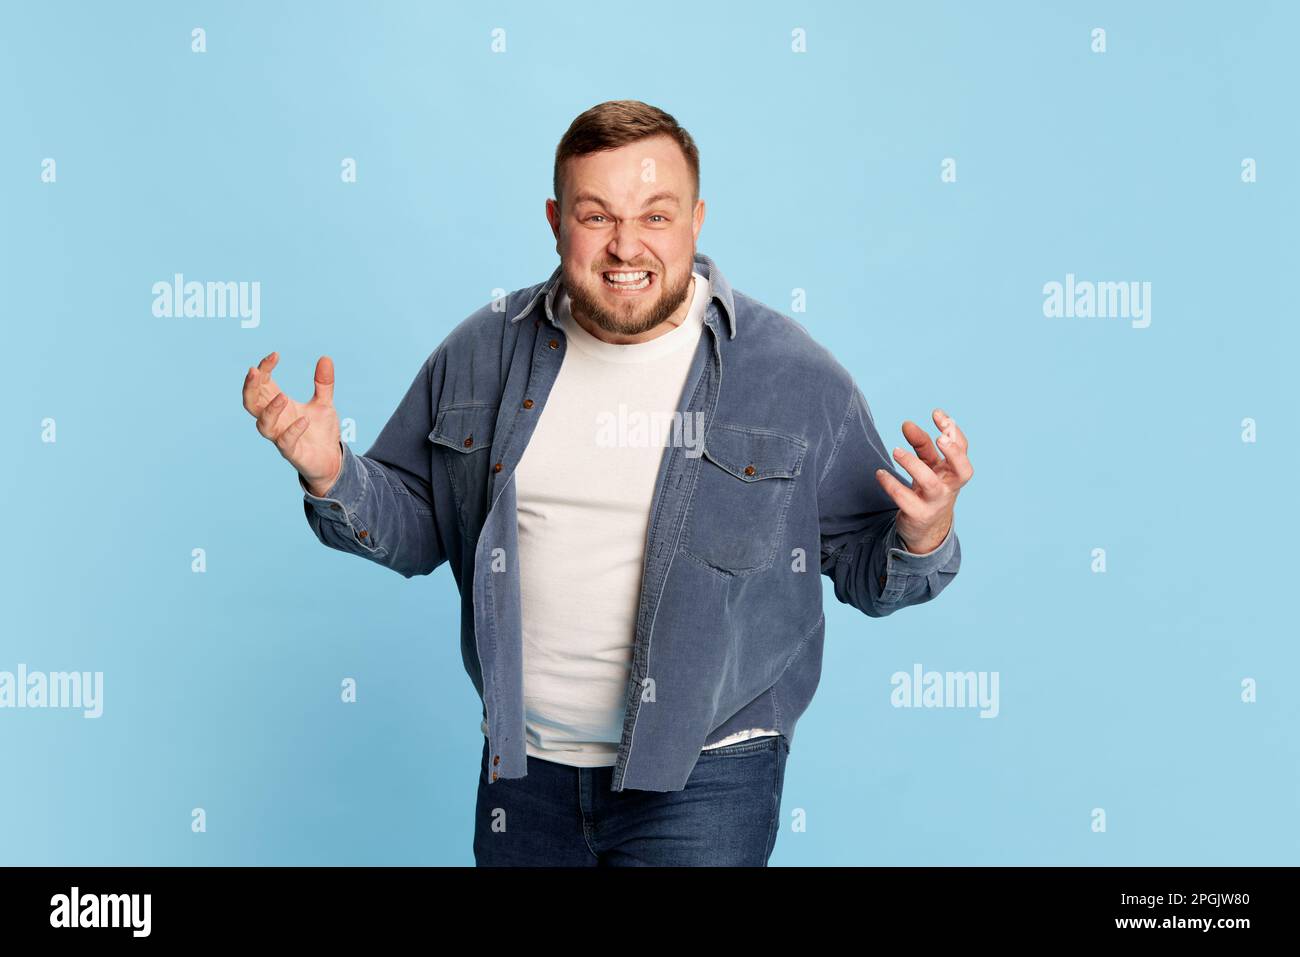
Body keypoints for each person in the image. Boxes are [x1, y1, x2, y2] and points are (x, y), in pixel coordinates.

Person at [241, 99, 972, 866]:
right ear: (557, 220)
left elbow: (869, 566)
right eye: (597, 216)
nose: (627, 246)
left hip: (708, 775)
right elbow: (418, 524)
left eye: (655, 216)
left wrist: (923, 533)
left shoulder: (791, 375)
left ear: (696, 219)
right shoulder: (481, 352)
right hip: (522, 775)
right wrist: (330, 469)